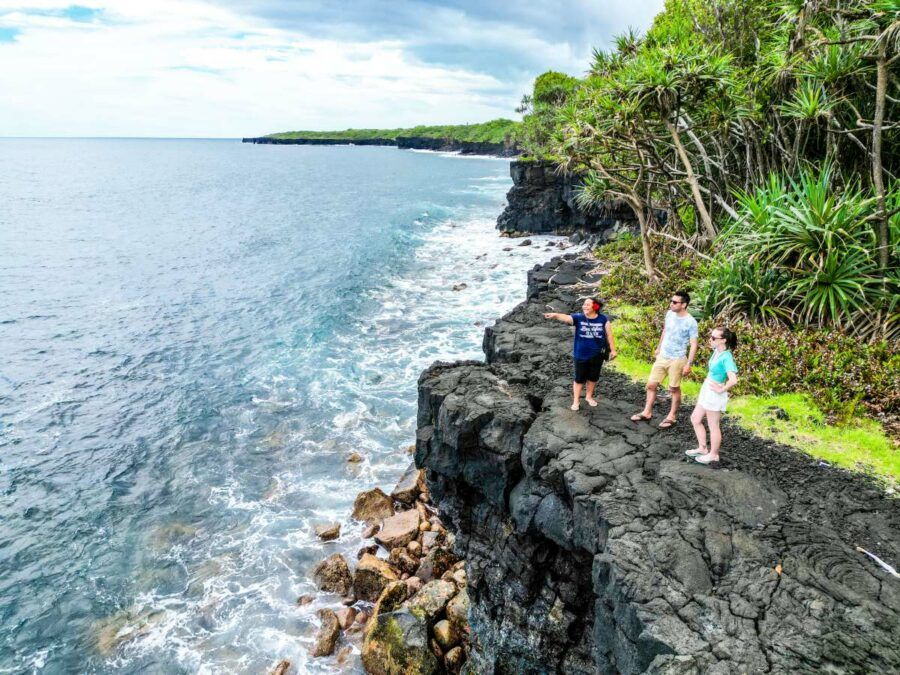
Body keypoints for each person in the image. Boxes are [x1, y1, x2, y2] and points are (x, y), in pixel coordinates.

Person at [630, 291, 698, 428]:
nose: (671, 304)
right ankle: (647, 412)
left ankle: (672, 416)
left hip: (677, 359)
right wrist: (658, 347)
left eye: (675, 302)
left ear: (684, 304)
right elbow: (665, 331)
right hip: (663, 356)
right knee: (651, 385)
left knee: (673, 388)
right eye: (671, 301)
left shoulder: (691, 322)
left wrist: (688, 364)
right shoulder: (669, 314)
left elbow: (694, 344)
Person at [543, 297, 617, 411]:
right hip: (581, 354)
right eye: (584, 304)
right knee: (579, 379)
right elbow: (566, 317)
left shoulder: (603, 319)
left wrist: (613, 350)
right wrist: (555, 315)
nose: (584, 306)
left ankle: (589, 397)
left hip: (597, 355)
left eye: (587, 304)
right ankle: (576, 401)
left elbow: (609, 335)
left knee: (593, 377)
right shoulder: (579, 317)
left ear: (595, 307)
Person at [686, 328, 738, 464]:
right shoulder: (716, 352)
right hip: (707, 389)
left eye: (714, 338)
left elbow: (733, 380)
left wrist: (722, 389)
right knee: (695, 418)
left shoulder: (727, 357)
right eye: (711, 337)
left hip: (714, 393)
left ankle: (714, 454)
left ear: (723, 340)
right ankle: (703, 448)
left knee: (713, 425)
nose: (710, 340)